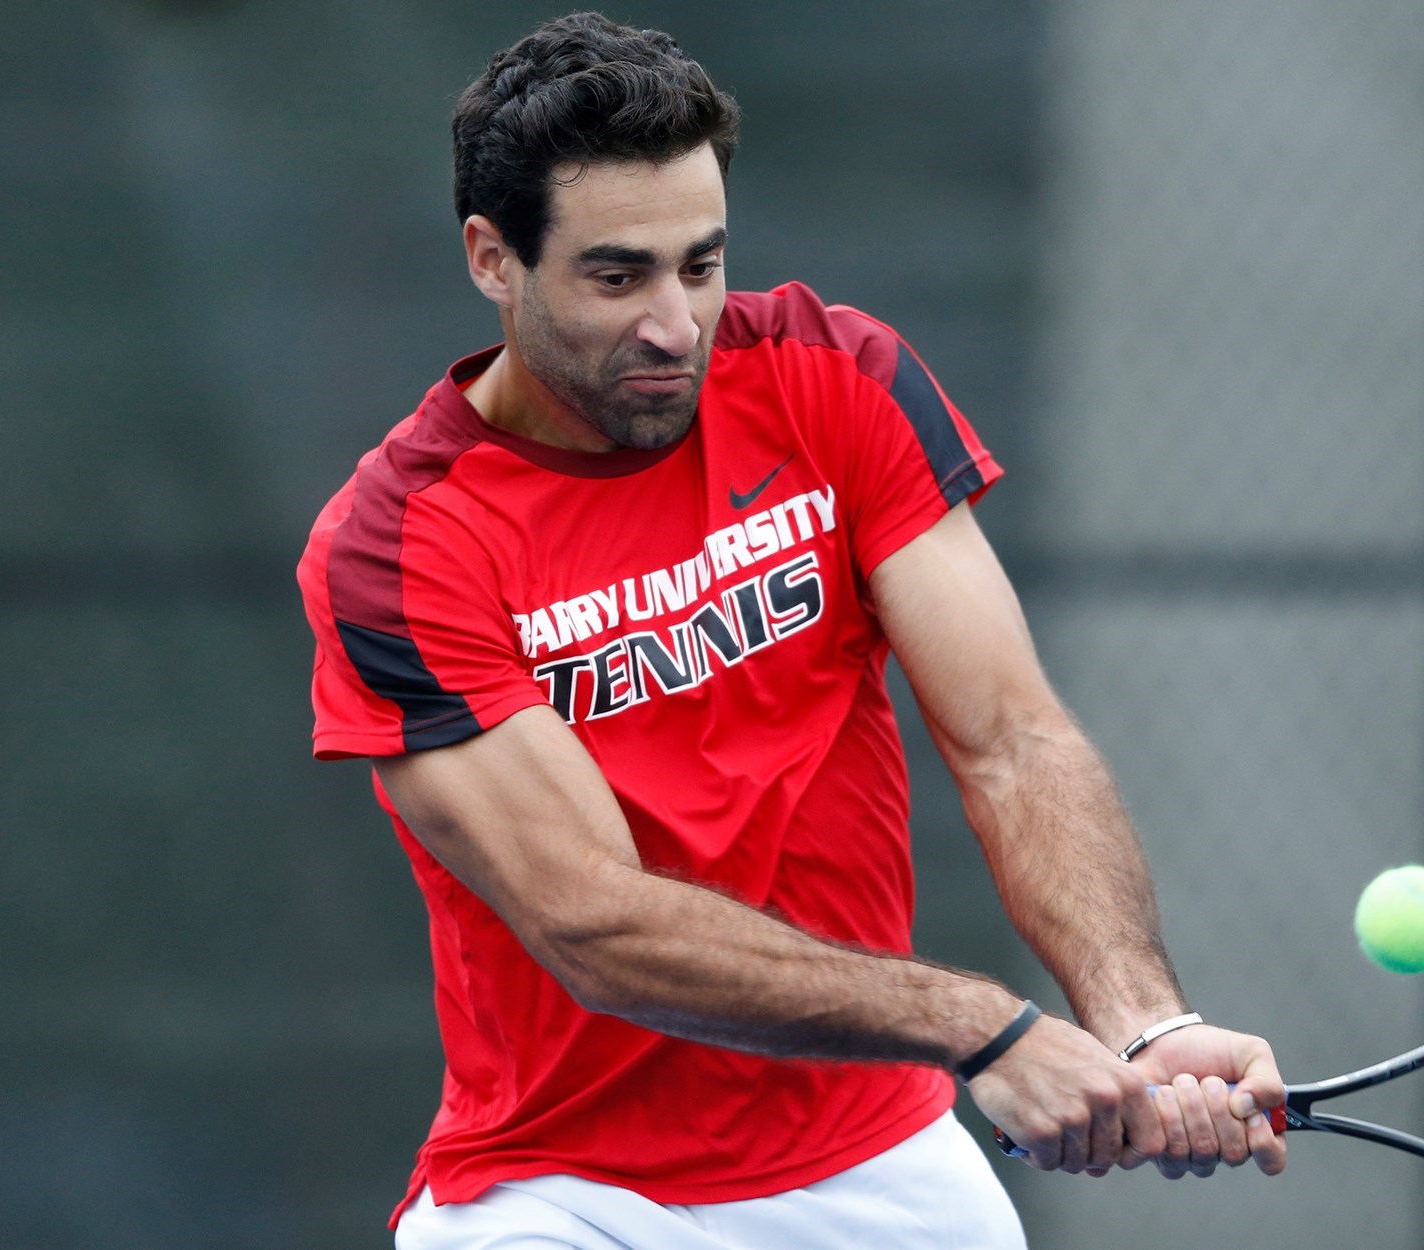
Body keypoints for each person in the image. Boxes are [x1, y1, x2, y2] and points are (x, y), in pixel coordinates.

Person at [296, 12, 1285, 1248]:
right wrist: (979, 1024)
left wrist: (1140, 1018)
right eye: (617, 275)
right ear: (493, 259)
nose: (673, 323)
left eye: (700, 265)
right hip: (562, 1197)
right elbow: (595, 920)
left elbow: (1011, 741)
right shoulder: (398, 543)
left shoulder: (834, 376)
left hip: (884, 1164)